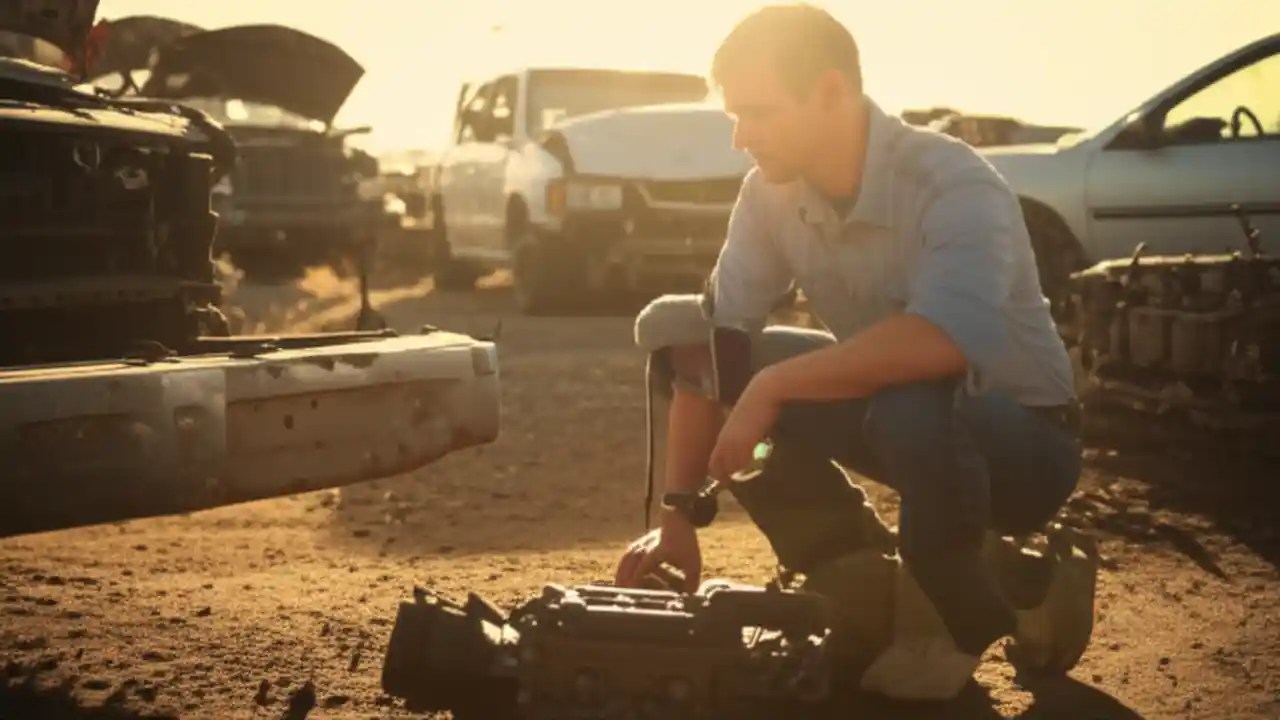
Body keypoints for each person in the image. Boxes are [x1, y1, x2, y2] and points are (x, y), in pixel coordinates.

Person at [613, 2, 1083, 701]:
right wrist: (677, 517)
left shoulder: (953, 182)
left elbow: (943, 343)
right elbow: (710, 354)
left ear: (833, 92)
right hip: (905, 418)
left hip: (1026, 447)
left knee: (904, 403)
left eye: (762, 113)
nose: (742, 137)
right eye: (733, 115)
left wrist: (770, 391)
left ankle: (955, 615)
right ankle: (859, 580)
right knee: (690, 352)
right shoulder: (767, 192)